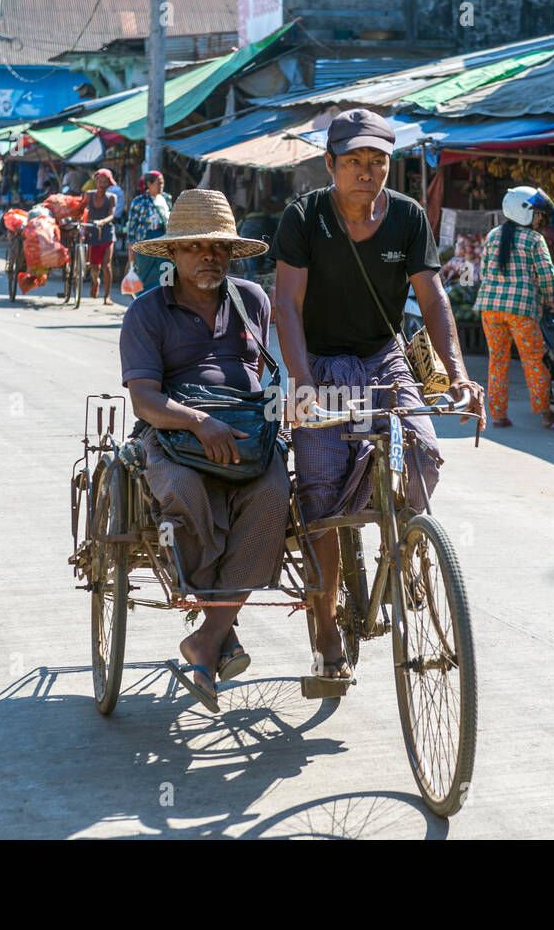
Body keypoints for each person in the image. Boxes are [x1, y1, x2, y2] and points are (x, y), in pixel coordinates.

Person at [273, 107, 485, 681]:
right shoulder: (303, 216)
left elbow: (434, 299)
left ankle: (409, 542)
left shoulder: (409, 218)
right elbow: (286, 306)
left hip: (383, 356)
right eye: (354, 161)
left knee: (421, 450)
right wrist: (302, 385)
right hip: (316, 360)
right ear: (330, 164)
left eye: (378, 161)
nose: (367, 171)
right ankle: (325, 637)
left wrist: (458, 373)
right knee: (319, 501)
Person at [120, 189, 287, 709]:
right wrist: (199, 423)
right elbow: (145, 398)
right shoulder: (147, 312)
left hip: (245, 432)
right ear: (173, 253)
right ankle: (221, 629)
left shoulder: (253, 301)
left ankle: (207, 637)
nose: (208, 257)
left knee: (274, 495)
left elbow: (260, 379)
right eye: (195, 247)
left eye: (218, 248)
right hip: (173, 431)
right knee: (187, 491)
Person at [476, 185, 554, 428]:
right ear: (523, 211)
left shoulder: (493, 235)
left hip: (490, 309)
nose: (539, 218)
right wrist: (550, 299)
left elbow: (483, 272)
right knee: (534, 360)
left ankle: (499, 416)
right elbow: (547, 275)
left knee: (497, 361)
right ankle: (545, 413)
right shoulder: (534, 239)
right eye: (537, 214)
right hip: (522, 310)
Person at [127, 171, 172, 295]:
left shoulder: (166, 199)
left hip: (163, 238)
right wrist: (131, 246)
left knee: (167, 269)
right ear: (149, 184)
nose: (161, 186)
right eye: (159, 183)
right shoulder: (139, 201)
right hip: (145, 240)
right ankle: (143, 300)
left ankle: (167, 298)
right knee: (145, 272)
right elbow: (132, 225)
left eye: (162, 183)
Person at [82, 168, 118, 303]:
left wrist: (102, 222)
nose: (102, 185)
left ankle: (107, 296)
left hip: (107, 234)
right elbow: (81, 209)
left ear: (109, 184)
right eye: (100, 181)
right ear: (96, 182)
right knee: (95, 266)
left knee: (106, 265)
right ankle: (95, 281)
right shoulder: (89, 195)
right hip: (92, 233)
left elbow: (111, 215)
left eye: (105, 182)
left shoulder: (111, 198)